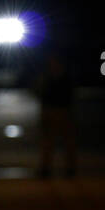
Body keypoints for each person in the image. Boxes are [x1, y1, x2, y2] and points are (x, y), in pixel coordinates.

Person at [34, 49, 76, 178]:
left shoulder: (65, 77)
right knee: (48, 142)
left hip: (62, 111)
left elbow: (70, 94)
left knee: (67, 142)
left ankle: (69, 168)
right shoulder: (46, 77)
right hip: (50, 110)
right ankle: (46, 168)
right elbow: (38, 91)